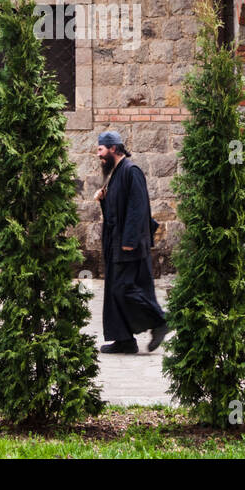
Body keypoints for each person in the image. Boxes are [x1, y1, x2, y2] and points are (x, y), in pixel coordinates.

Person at [94, 130, 168, 354]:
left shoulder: (131, 171)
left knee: (123, 289)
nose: (98, 154)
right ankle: (124, 339)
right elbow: (116, 212)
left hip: (129, 245)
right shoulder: (116, 173)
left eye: (101, 149)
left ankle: (159, 321)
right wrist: (104, 201)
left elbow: (138, 209)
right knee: (115, 290)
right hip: (117, 243)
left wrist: (130, 241)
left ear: (113, 148)